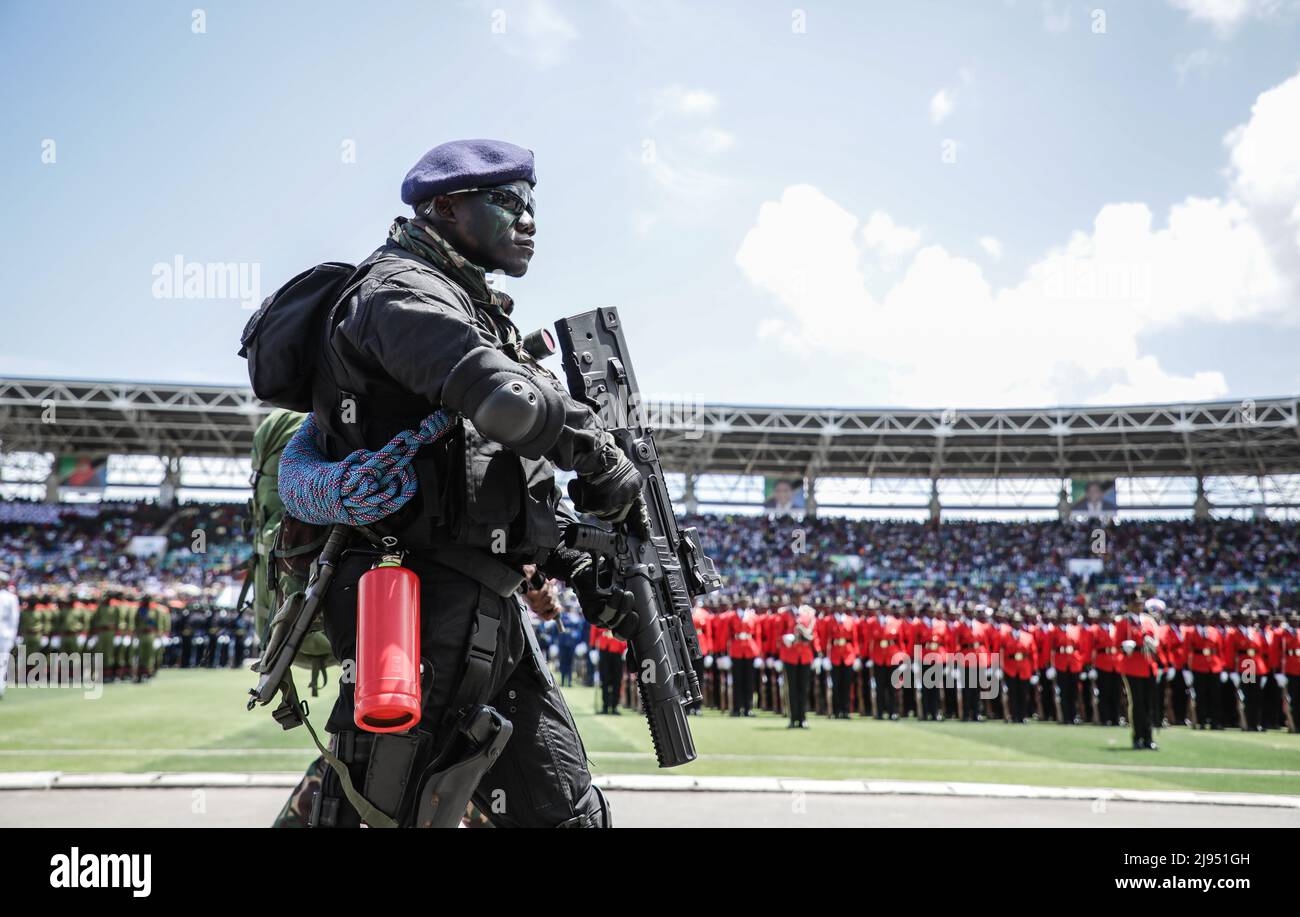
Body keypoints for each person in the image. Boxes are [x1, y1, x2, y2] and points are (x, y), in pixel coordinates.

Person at [284, 139, 642, 828]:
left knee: (567, 818)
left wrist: (576, 562)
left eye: (532, 204)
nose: (529, 219)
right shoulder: (399, 291)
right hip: (413, 607)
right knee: (379, 815)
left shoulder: (466, 307)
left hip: (487, 609)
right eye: (509, 203)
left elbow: (480, 481)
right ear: (444, 207)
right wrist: (597, 450)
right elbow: (503, 401)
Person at [1114, 598, 1160, 750]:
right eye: (1135, 603)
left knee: (1148, 704)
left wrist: (1152, 643)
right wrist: (1124, 646)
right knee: (1137, 704)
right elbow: (1117, 643)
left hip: (1148, 666)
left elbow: (1157, 642)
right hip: (1132, 666)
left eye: (1140, 603)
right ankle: (1137, 737)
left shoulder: (1149, 621)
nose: (1138, 606)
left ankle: (1148, 738)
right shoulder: (1123, 622)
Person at [0, 572, 18, 700]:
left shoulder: (10, 597)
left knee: (2, 661)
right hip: (5, 634)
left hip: (4, 634)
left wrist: (12, 636)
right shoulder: (10, 597)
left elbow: (14, 619)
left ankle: (0, 687)